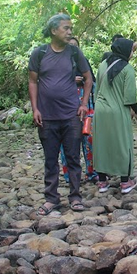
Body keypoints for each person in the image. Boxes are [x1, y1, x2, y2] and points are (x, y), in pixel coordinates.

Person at [28, 14, 93, 215]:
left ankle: (75, 197)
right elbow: (32, 82)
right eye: (66, 28)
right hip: (46, 117)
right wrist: (35, 109)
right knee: (50, 159)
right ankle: (51, 199)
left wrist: (83, 104)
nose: (70, 32)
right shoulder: (39, 53)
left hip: (71, 115)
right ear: (53, 30)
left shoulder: (74, 52)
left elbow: (88, 78)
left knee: (73, 157)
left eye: (70, 28)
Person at [92, 38, 137, 194]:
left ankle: (102, 182)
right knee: (123, 144)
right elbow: (130, 97)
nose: (132, 53)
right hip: (118, 110)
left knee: (101, 144)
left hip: (100, 110)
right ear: (125, 51)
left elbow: (98, 89)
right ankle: (125, 182)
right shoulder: (128, 69)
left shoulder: (102, 65)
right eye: (132, 50)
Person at [59, 36, 99, 184]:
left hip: (85, 105)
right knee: (67, 142)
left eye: (75, 46)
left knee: (89, 139)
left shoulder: (84, 62)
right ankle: (70, 175)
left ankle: (92, 173)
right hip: (65, 108)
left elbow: (93, 83)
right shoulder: (57, 64)